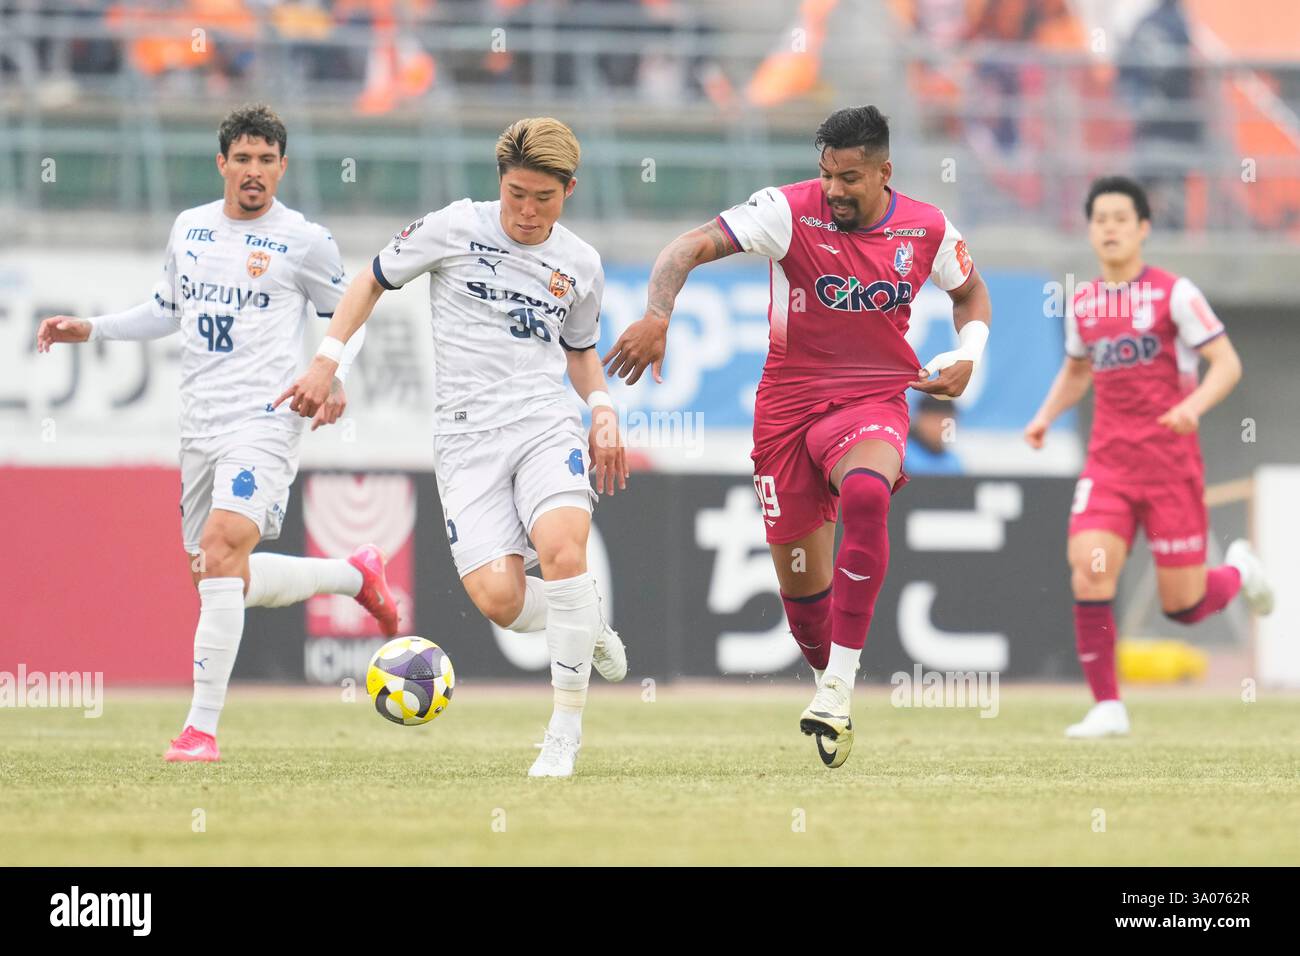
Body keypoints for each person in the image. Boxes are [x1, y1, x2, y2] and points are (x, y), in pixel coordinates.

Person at [603, 105, 992, 768]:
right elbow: (688, 246)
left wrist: (970, 350)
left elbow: (971, 293)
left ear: (883, 172)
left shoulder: (927, 228)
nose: (834, 189)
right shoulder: (788, 211)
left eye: (848, 177)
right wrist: (657, 314)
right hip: (786, 412)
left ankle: (839, 687)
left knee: (868, 494)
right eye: (826, 175)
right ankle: (826, 677)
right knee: (806, 611)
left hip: (872, 398)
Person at [36, 104, 396, 763]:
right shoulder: (191, 229)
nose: (254, 171)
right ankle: (353, 574)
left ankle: (200, 732)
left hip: (266, 419)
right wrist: (91, 329)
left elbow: (354, 310)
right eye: (243, 158)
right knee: (216, 575)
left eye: (267, 160)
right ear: (221, 162)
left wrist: (328, 367)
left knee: (223, 545)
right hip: (198, 424)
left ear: (282, 167)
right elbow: (165, 311)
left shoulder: (304, 240)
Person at [276, 117, 629, 778]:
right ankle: (590, 623)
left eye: (542, 199)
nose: (525, 211)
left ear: (569, 190)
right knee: (500, 600)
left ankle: (563, 733)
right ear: (500, 181)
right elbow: (370, 281)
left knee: (562, 552)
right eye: (515, 193)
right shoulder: (454, 227)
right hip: (466, 436)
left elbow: (580, 353)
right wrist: (328, 362)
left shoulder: (581, 263)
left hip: (543, 420)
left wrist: (602, 408)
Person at [1024, 175, 1273, 738]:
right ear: (1090, 231)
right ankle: (1108, 706)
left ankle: (1238, 572)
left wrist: (1194, 407)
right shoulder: (1083, 302)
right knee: (1089, 571)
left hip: (1170, 469)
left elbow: (1227, 363)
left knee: (1182, 606)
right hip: (1108, 468)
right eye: (1100, 219)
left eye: (1120, 218)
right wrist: (1043, 417)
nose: (1109, 228)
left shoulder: (1174, 293)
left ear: (1142, 228)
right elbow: (1077, 371)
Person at [905, 394, 963, 474]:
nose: (940, 427)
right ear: (920, 419)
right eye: (935, 420)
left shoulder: (953, 461)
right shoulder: (901, 457)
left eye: (947, 421)